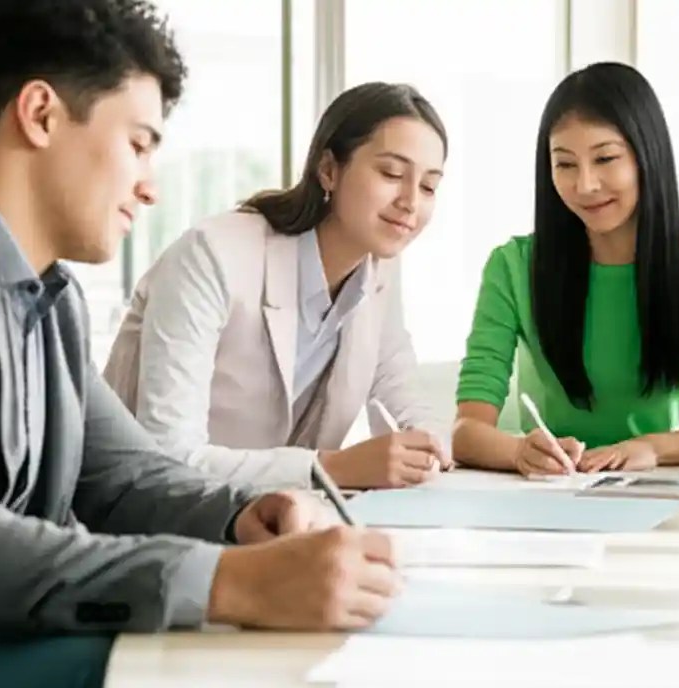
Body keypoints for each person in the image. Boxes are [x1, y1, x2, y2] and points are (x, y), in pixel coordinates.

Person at [0, 2, 399, 688]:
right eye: (139, 144)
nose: (151, 185)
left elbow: (122, 477)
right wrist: (229, 581)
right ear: (40, 114)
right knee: (183, 675)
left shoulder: (48, 294)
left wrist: (246, 516)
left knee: (218, 649)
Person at [103, 82, 452, 491]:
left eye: (429, 186)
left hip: (265, 515)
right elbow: (169, 454)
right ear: (328, 170)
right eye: (391, 173)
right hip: (141, 512)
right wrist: (330, 467)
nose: (411, 201)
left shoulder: (378, 269)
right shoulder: (212, 254)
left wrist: (429, 442)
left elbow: (399, 381)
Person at [452, 62, 679, 478]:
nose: (585, 185)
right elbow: (467, 431)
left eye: (605, 158)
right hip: (548, 491)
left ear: (647, 155)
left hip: (652, 488)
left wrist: (653, 448)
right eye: (565, 164)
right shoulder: (513, 266)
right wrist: (518, 452)